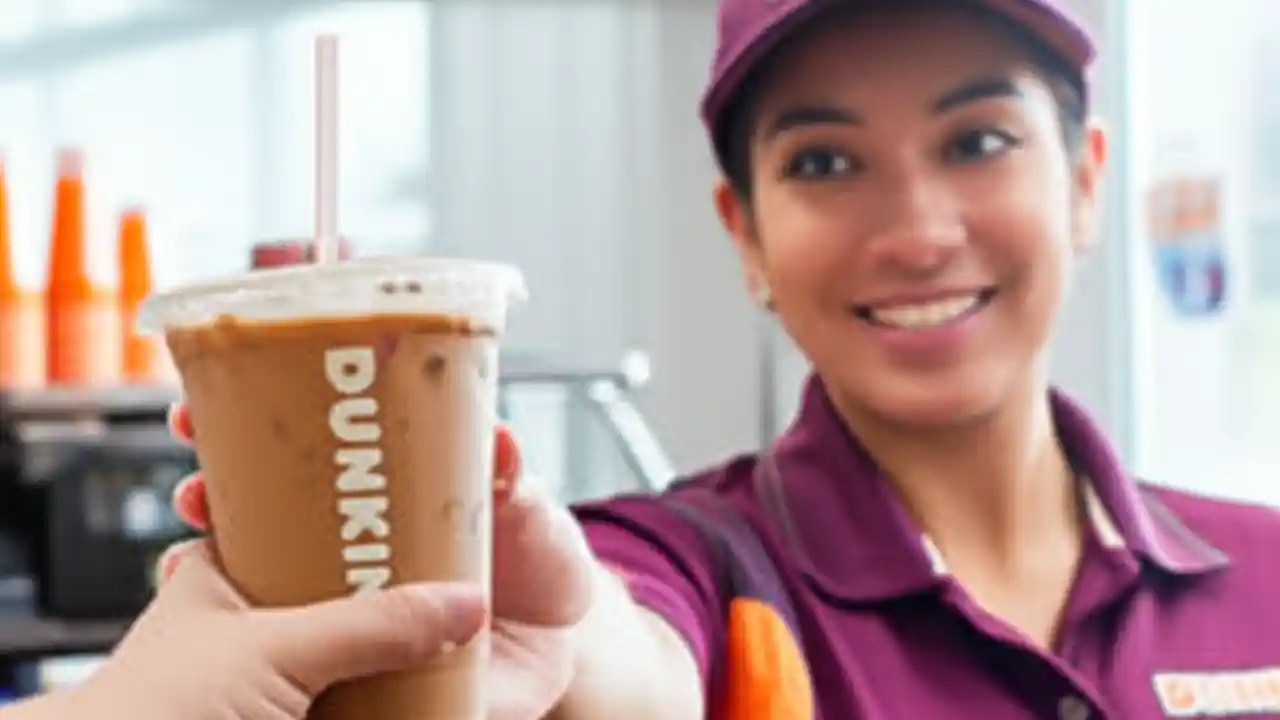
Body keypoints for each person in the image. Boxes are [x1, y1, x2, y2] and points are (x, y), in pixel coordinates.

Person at [7, 0, 1280, 717]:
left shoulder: (1267, 573)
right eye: (824, 162)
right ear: (744, 234)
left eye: (979, 140)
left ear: (1085, 184)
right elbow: (619, 665)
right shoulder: (680, 557)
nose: (916, 231)